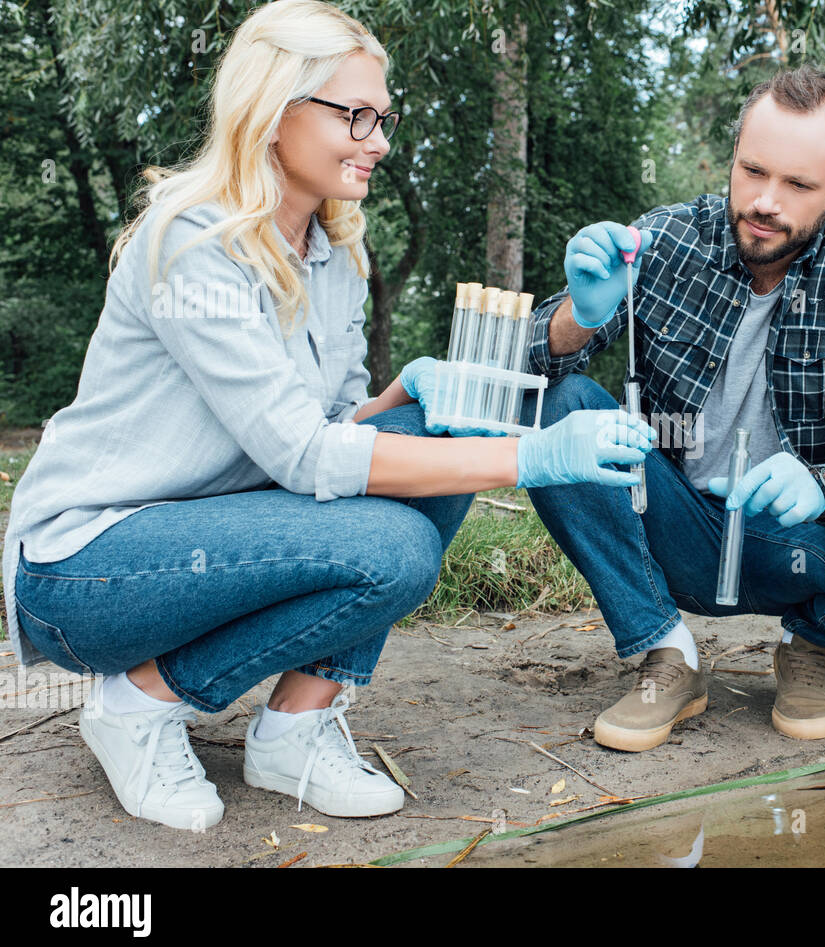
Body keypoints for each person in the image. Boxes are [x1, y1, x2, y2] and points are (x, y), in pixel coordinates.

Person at [1, 0, 653, 830]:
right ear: (274, 110)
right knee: (392, 549)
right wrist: (534, 459)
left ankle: (297, 725)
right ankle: (138, 701)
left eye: (382, 117)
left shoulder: (336, 247)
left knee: (444, 429)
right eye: (355, 115)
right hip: (90, 567)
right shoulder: (193, 243)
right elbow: (310, 459)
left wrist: (401, 399)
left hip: (219, 531)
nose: (379, 140)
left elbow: (339, 428)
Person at [521, 65, 825, 752]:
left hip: (801, 541)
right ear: (733, 158)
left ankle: (808, 644)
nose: (765, 201)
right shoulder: (663, 240)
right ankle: (668, 652)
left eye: (798, 185)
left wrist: (822, 485)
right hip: (675, 525)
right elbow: (520, 378)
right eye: (752, 171)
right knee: (561, 405)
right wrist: (579, 314)